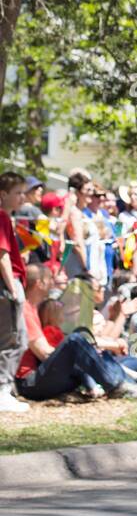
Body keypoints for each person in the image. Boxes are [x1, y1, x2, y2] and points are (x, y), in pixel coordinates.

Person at [0, 171, 30, 412]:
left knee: (16, 337)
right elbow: (2, 256)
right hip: (6, 286)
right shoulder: (1, 217)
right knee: (15, 339)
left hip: (9, 284)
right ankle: (3, 390)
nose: (23, 197)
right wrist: (13, 288)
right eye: (17, 193)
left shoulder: (7, 219)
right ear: (3, 195)